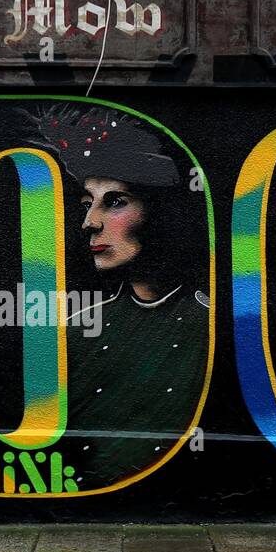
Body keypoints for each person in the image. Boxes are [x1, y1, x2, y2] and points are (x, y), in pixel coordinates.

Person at [31, 105, 210, 485]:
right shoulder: (80, 327)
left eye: (114, 202)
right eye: (87, 203)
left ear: (160, 211)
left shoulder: (209, 323)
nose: (89, 222)